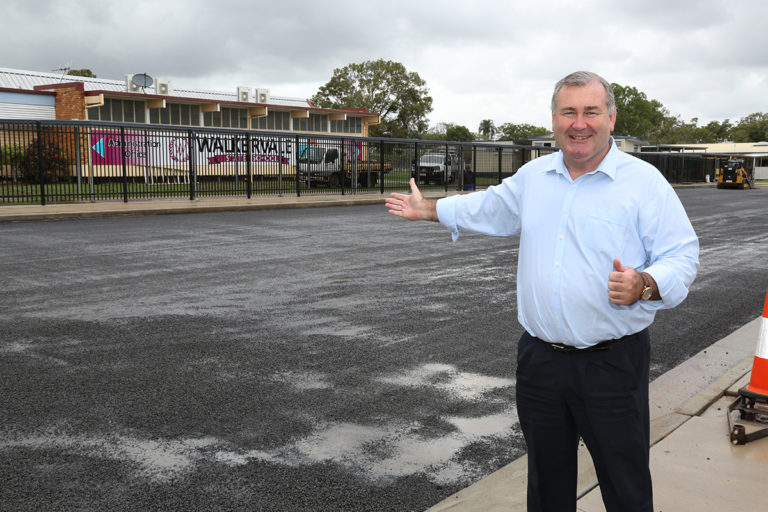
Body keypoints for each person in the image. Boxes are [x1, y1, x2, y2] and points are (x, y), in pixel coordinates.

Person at [385, 71, 699, 512]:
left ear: (610, 117)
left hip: (612, 364)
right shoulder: (534, 176)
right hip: (540, 363)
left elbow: (682, 257)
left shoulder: (643, 183)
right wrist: (430, 210)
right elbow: (489, 206)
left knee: (625, 484)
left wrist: (643, 285)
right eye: (568, 112)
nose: (579, 123)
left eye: (591, 111)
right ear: (554, 120)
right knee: (546, 486)